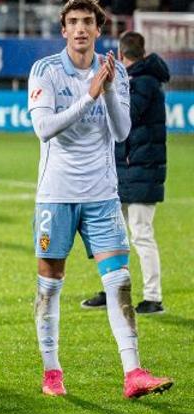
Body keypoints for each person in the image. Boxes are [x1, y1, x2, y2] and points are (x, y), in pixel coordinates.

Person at [27, 0, 172, 399]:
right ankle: (52, 370)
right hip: (55, 196)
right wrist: (89, 96)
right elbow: (44, 128)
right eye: (72, 21)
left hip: (102, 194)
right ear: (63, 30)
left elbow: (122, 131)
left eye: (87, 22)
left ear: (98, 28)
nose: (80, 29)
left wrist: (106, 90)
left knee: (120, 282)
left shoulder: (117, 74)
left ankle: (133, 372)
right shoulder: (46, 70)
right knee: (49, 286)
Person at [80, 31, 169, 314]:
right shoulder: (138, 81)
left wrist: (110, 89)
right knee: (114, 236)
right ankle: (114, 289)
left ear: (120, 55)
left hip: (140, 170)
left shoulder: (143, 83)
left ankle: (153, 297)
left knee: (141, 234)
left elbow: (126, 118)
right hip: (125, 171)